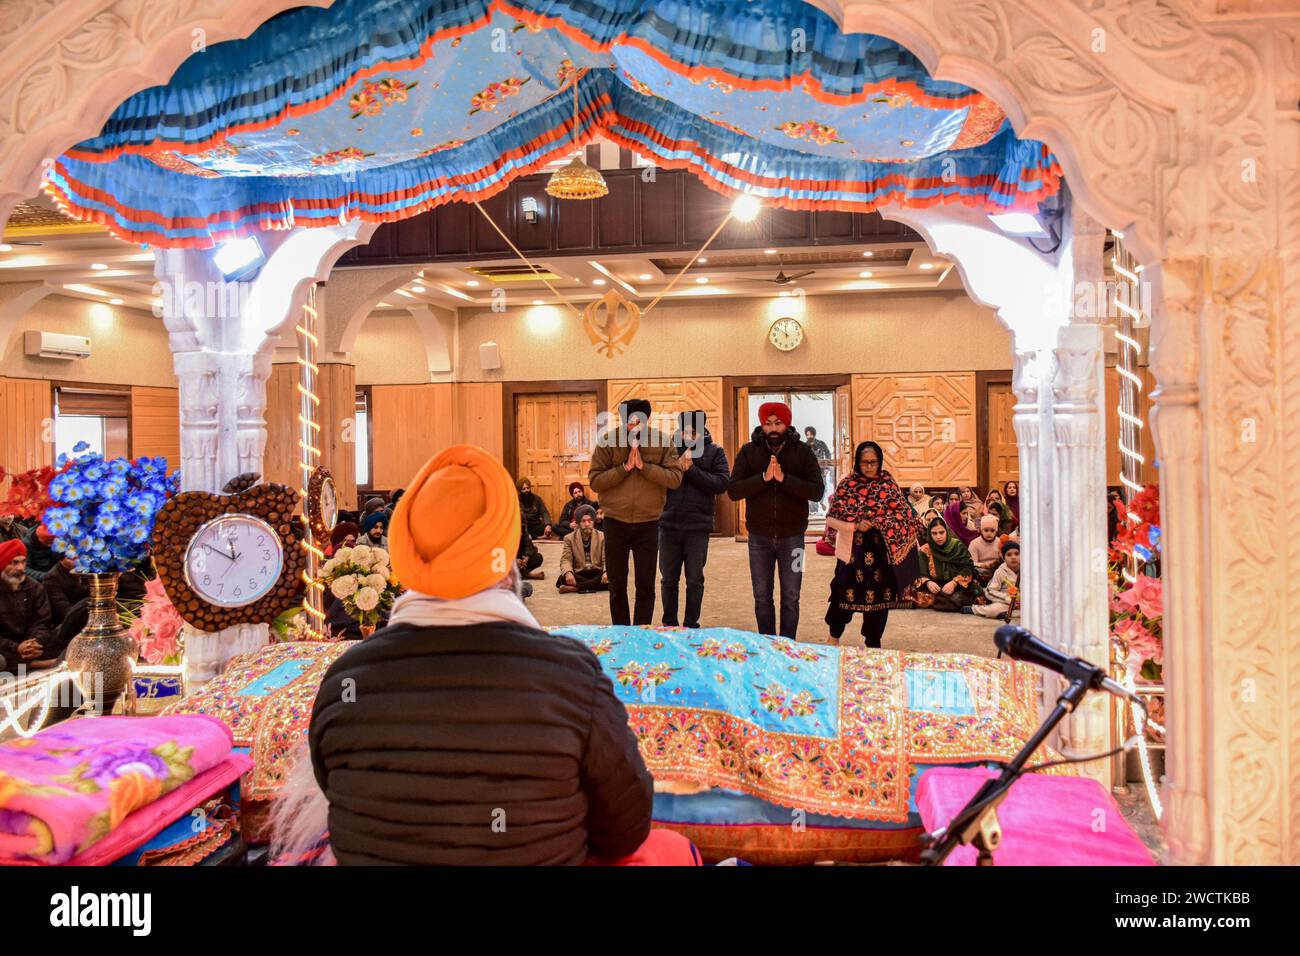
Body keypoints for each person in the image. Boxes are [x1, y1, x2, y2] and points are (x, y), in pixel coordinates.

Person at [309, 444, 695, 865]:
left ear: (407, 550)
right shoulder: (571, 675)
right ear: (506, 562)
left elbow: (336, 799)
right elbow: (625, 830)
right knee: (670, 850)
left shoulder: (345, 681)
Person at [727, 401, 824, 638]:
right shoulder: (749, 452)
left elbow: (817, 491)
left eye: (778, 423)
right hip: (758, 539)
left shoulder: (803, 452)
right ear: (762, 424)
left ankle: (788, 645)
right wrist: (762, 478)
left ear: (787, 424)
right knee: (761, 595)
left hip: (794, 539)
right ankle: (767, 644)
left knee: (792, 595)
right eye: (768, 423)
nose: (773, 428)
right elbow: (733, 491)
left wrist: (784, 479)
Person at [588, 398, 682, 626]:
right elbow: (595, 481)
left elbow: (675, 479)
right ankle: (621, 633)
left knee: (646, 586)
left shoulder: (662, 441)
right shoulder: (608, 441)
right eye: (630, 421)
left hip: (648, 524)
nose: (635, 425)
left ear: (648, 420)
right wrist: (624, 468)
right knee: (617, 585)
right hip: (614, 522)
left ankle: (643, 633)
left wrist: (644, 467)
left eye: (640, 420)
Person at [823, 442, 921, 647]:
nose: (868, 467)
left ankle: (873, 642)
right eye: (864, 462)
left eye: (873, 463)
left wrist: (881, 522)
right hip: (852, 552)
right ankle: (834, 637)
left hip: (881, 554)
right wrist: (855, 525)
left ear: (880, 463)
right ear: (857, 463)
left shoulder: (887, 483)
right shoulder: (847, 484)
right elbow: (832, 519)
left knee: (879, 602)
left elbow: (904, 516)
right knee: (843, 596)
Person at [658, 410, 730, 628]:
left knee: (695, 579)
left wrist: (692, 471)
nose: (689, 435)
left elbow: (721, 483)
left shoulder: (715, 451)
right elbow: (658, 481)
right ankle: (669, 623)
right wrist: (676, 471)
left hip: (698, 526)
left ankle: (691, 624)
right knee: (668, 579)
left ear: (702, 431)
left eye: (694, 431)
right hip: (668, 524)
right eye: (685, 430)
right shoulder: (667, 451)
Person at [0, 539, 54, 672]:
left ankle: (28, 661)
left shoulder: (34, 587)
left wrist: (34, 642)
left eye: (23, 562)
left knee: (65, 640)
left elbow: (42, 622)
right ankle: (34, 664)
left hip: (30, 644)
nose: (20, 568)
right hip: (6, 647)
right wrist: (16, 647)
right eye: (14, 562)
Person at [915, 517, 984, 613]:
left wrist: (954, 583)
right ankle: (947, 602)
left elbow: (968, 569)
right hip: (936, 588)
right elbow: (918, 573)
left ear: (947, 531)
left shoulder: (957, 546)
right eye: (934, 533)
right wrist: (928, 583)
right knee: (912, 593)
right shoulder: (924, 550)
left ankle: (941, 602)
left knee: (976, 594)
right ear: (929, 534)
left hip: (958, 587)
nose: (938, 537)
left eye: (941, 532)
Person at [558, 505, 608, 593]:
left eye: (590, 521)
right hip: (580, 572)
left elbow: (607, 557)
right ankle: (593, 586)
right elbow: (566, 559)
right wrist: (568, 573)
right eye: (583, 521)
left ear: (594, 521)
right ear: (578, 523)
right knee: (562, 578)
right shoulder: (569, 538)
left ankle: (576, 588)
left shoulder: (602, 537)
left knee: (614, 576)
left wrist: (606, 572)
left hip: (597, 571)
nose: (587, 524)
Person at [974, 540, 1020, 620]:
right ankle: (974, 609)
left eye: (1016, 554)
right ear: (1003, 558)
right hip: (1005, 602)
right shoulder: (1000, 571)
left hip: (1022, 603)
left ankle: (1006, 614)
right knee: (992, 611)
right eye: (1009, 555)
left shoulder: (1027, 570)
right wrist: (1007, 599)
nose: (1013, 557)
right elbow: (990, 591)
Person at [42, 554, 87, 630]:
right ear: (61, 559)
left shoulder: (85, 571)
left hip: (84, 616)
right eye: (72, 559)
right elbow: (63, 610)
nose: (77, 561)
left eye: (78, 557)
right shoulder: (52, 578)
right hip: (64, 625)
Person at [967, 514, 1003, 584]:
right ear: (981, 530)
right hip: (981, 571)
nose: (989, 533)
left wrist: (994, 565)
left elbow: (1002, 559)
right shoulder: (974, 543)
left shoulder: (1000, 542)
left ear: (996, 531)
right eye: (986, 530)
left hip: (997, 569)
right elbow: (972, 563)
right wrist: (983, 565)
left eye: (992, 531)